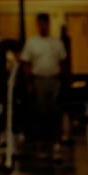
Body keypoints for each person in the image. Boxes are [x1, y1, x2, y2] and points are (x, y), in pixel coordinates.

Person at [19, 13, 67, 162]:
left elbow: (63, 62)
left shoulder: (56, 42)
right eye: (40, 23)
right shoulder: (32, 42)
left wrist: (64, 82)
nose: (43, 26)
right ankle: (41, 146)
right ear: (37, 24)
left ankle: (56, 145)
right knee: (40, 114)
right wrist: (28, 83)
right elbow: (26, 64)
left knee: (54, 112)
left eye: (45, 23)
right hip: (38, 81)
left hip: (54, 80)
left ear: (48, 24)